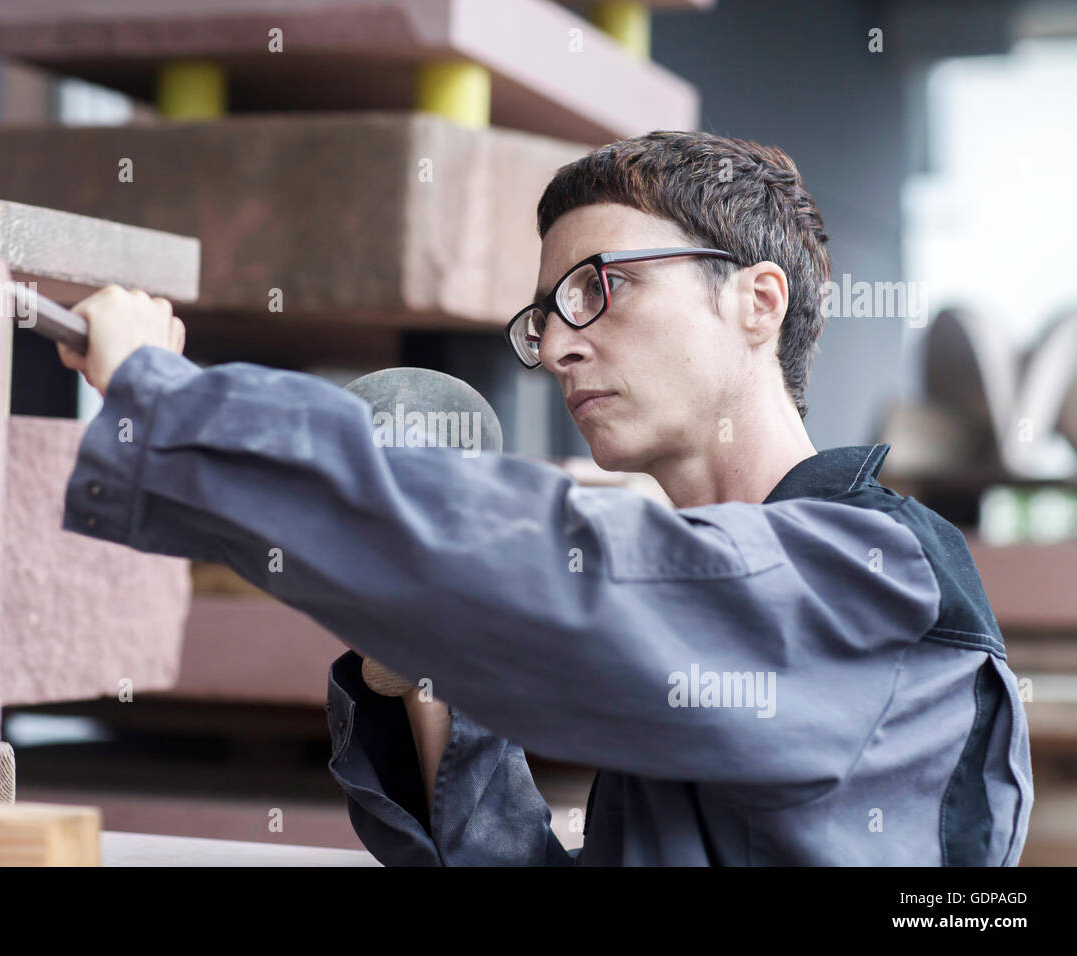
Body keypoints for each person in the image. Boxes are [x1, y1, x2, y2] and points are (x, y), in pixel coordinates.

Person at [56, 131, 1032, 866]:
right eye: (544, 314)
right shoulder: (694, 654)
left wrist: (170, 397)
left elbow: (576, 582)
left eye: (599, 287)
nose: (558, 346)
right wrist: (427, 683)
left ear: (756, 302)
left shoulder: (871, 573)